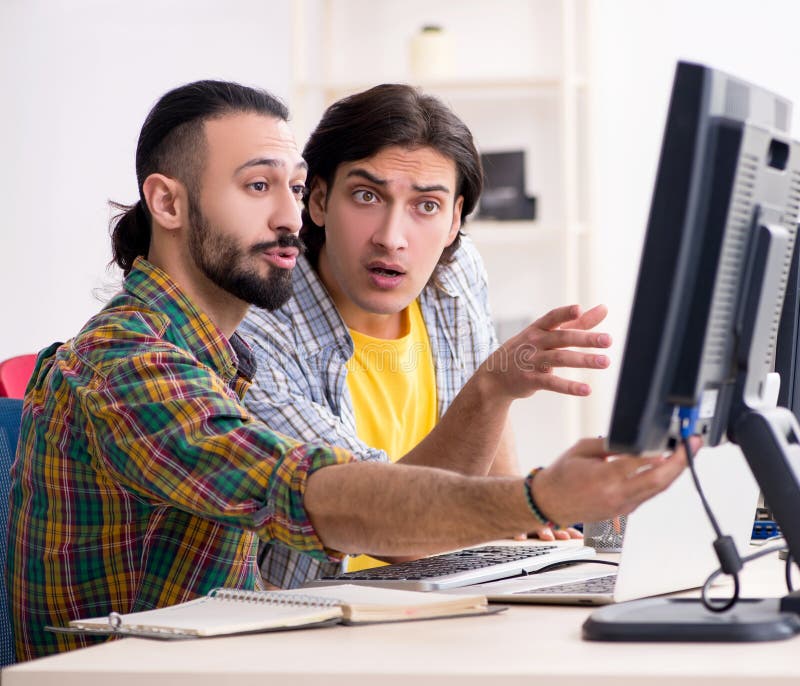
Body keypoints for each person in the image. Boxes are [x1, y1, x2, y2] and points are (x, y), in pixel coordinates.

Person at [7, 79, 688, 662]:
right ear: (169, 204)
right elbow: (315, 495)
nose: (286, 217)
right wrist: (542, 497)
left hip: (239, 655)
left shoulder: (218, 350)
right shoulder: (130, 364)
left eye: (291, 188)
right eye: (256, 187)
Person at [239, 84, 604, 586]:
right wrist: (494, 390)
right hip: (318, 617)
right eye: (367, 196)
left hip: (441, 588)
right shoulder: (254, 331)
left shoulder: (456, 272)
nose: (392, 236)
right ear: (318, 200)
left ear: (455, 219)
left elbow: (489, 436)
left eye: (426, 206)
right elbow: (382, 530)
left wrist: (520, 521)